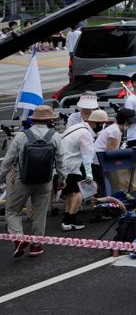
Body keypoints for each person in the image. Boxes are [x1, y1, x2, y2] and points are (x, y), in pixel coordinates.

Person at [1, 105, 65, 258]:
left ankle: (19, 238)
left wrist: (1, 177)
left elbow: (8, 160)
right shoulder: (55, 136)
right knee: (40, 213)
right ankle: (36, 246)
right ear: (49, 120)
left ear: (33, 120)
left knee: (12, 210)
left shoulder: (21, 136)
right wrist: (62, 178)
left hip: (23, 180)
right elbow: (61, 161)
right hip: (45, 181)